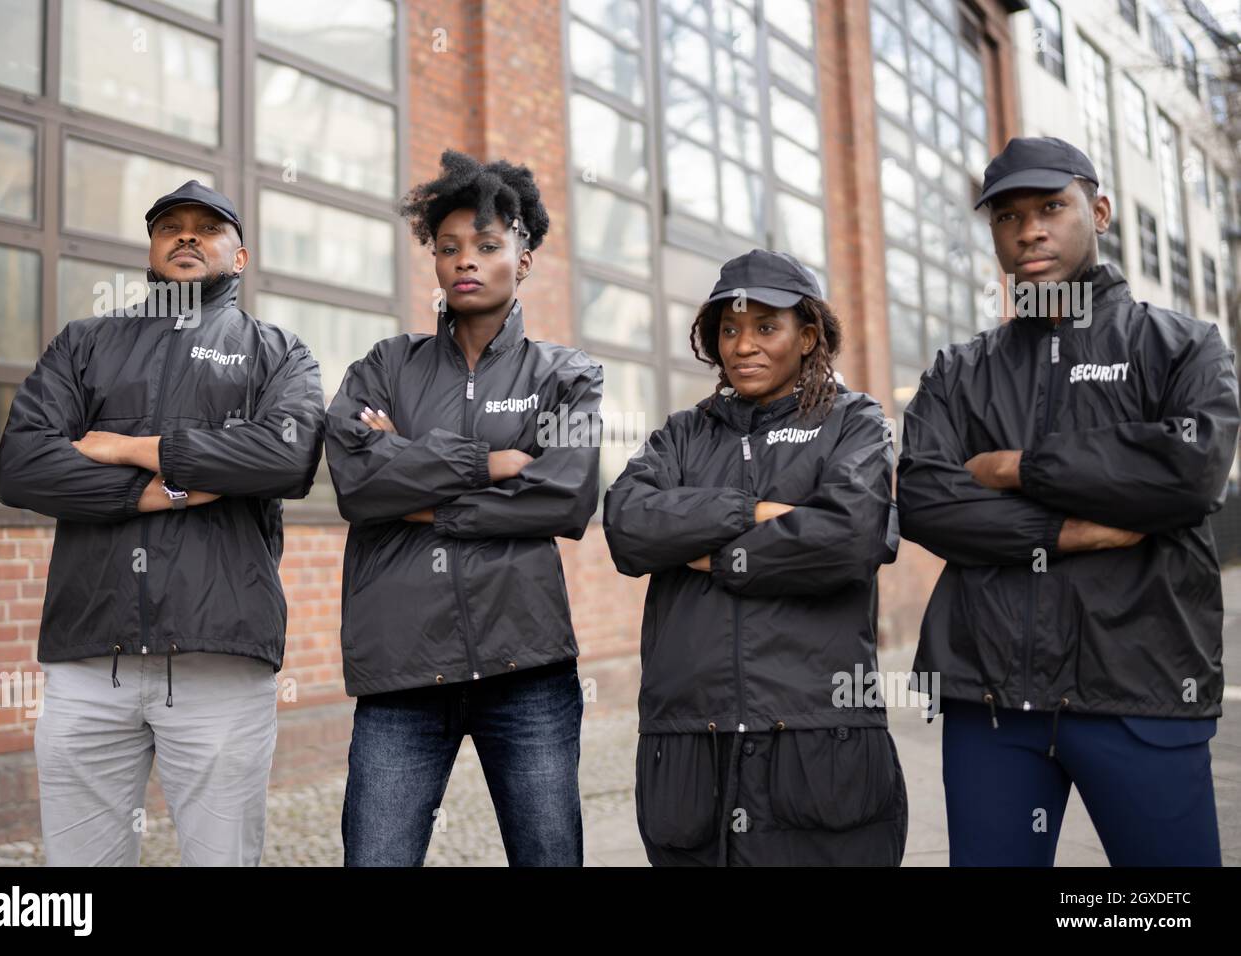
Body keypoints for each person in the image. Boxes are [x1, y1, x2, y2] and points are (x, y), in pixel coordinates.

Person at [897, 136, 1240, 866]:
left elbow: (1189, 473)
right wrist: (1066, 532)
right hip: (991, 704)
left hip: (1141, 688)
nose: (1030, 231)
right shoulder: (960, 371)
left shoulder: (1180, 346)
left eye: (1052, 206)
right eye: (1008, 217)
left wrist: (1019, 467)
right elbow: (925, 500)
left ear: (1101, 210)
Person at [0, 180, 325, 865]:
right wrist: (162, 493)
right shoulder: (85, 344)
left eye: (207, 227)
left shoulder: (277, 352)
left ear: (239, 257)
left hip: (221, 656)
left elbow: (285, 457)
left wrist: (123, 448)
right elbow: (23, 465)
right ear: (150, 250)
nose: (186, 235)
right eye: (169, 225)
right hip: (91, 657)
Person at [325, 150, 603, 867]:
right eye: (448, 248)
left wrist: (420, 493)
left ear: (524, 256)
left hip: (528, 667)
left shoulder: (567, 376)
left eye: (486, 245)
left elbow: (564, 494)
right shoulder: (386, 365)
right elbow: (356, 482)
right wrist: (489, 463)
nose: (464, 262)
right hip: (402, 670)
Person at [603, 249, 906, 866]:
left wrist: (707, 554)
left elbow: (849, 535)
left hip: (817, 745)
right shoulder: (682, 434)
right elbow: (628, 525)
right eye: (730, 329)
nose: (743, 345)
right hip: (690, 751)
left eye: (767, 326)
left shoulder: (854, 422)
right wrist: (754, 511)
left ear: (808, 334)